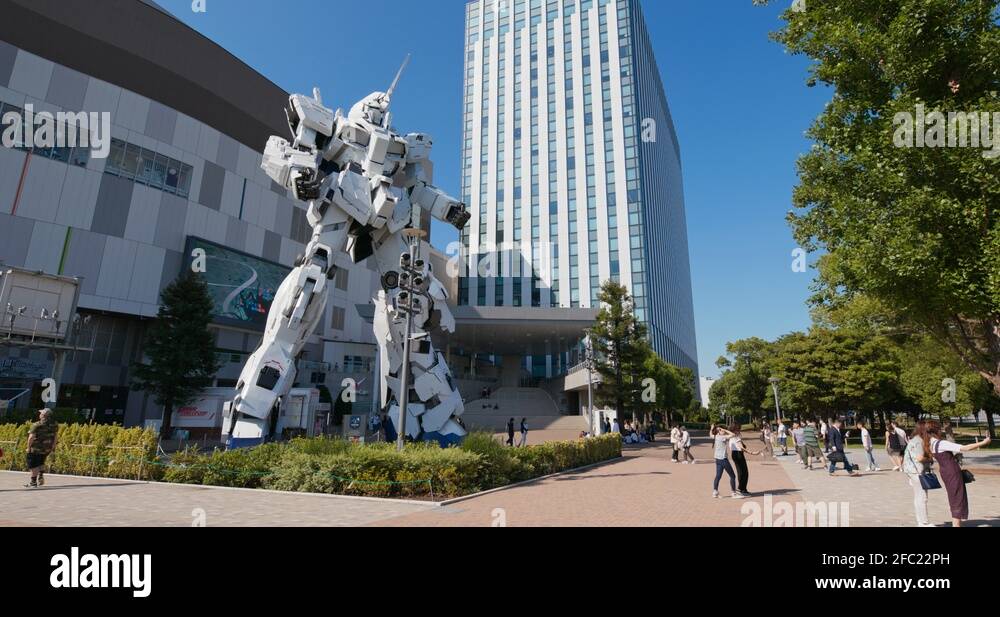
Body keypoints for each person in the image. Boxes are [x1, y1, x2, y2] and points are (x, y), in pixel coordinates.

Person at [924, 420, 991, 527]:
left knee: (954, 496)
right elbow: (966, 448)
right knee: (957, 498)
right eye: (939, 428)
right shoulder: (941, 443)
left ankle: (958, 524)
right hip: (952, 471)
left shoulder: (931, 442)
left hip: (945, 471)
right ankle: (957, 525)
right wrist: (983, 442)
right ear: (936, 430)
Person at [901, 421, 935, 527]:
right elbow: (920, 458)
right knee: (922, 497)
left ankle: (921, 521)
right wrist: (930, 458)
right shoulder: (918, 441)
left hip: (912, 471)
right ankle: (924, 522)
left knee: (918, 497)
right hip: (917, 472)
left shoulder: (914, 439)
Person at [24, 408, 58, 488]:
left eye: (41, 413)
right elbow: (55, 436)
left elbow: (31, 437)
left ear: (43, 415)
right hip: (47, 448)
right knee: (41, 462)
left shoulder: (37, 424)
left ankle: (33, 482)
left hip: (36, 448)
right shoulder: (55, 424)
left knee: (33, 465)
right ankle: (41, 475)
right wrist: (53, 446)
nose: (39, 414)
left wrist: (28, 447)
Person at [728, 424, 760, 497]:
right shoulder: (736, 436)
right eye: (738, 429)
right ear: (735, 430)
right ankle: (742, 489)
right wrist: (752, 453)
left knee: (741, 472)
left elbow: (741, 445)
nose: (739, 430)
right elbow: (741, 447)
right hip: (738, 454)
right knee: (744, 472)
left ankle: (742, 489)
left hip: (735, 454)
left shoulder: (734, 436)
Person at [710, 424, 739, 498]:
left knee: (718, 476)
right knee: (732, 476)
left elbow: (710, 434)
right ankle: (733, 493)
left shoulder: (716, 436)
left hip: (718, 460)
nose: (724, 431)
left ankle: (715, 491)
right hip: (723, 459)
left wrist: (712, 428)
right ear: (719, 431)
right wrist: (724, 430)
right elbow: (733, 434)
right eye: (722, 430)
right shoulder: (722, 437)